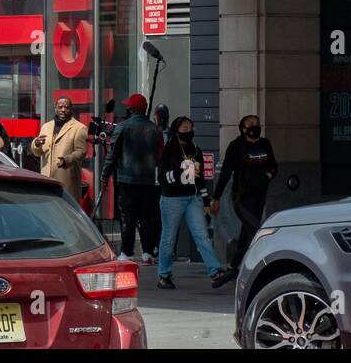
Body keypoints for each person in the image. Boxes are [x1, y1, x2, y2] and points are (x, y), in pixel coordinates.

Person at [155, 116, 225, 290]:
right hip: (172, 199)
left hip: (193, 198)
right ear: (176, 130)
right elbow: (161, 177)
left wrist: (206, 200)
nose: (188, 132)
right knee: (169, 238)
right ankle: (164, 274)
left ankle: (215, 271)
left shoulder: (196, 150)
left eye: (190, 128)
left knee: (201, 235)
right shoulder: (169, 150)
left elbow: (199, 180)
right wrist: (181, 173)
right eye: (184, 129)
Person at [209, 114, 278, 287]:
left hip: (259, 196)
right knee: (257, 230)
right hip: (241, 198)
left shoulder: (265, 144)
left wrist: (269, 175)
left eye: (256, 123)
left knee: (246, 234)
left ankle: (233, 267)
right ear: (243, 128)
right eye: (250, 124)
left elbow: (274, 165)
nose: (254, 126)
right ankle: (263, 269)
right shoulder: (236, 147)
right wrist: (215, 198)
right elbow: (225, 173)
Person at [101, 93, 163, 265]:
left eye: (129, 106)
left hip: (127, 179)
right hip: (149, 180)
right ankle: (148, 252)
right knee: (147, 216)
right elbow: (160, 155)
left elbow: (112, 155)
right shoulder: (155, 129)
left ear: (132, 109)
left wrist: (105, 174)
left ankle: (127, 252)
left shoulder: (122, 127)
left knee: (127, 216)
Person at [30, 97, 88, 205]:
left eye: (66, 107)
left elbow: (81, 152)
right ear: (55, 108)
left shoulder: (79, 128)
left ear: (71, 109)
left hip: (66, 178)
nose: (63, 110)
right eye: (60, 107)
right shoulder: (46, 126)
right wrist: (36, 144)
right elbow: (37, 152)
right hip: (46, 179)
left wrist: (67, 159)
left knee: (66, 213)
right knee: (48, 211)